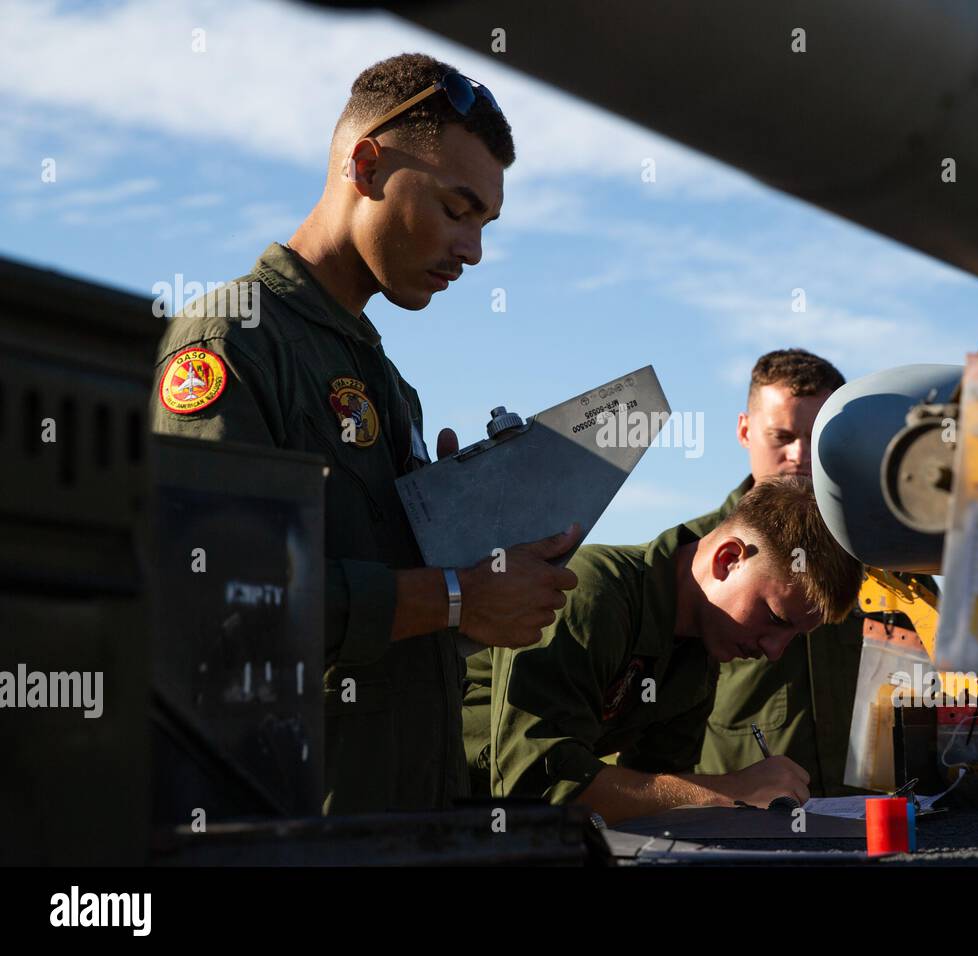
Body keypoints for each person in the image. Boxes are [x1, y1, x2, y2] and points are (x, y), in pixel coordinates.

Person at [151, 53, 579, 814]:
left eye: (484, 223)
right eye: (457, 209)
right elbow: (213, 600)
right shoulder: (232, 341)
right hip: (291, 829)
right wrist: (454, 596)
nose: (474, 251)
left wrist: (469, 558)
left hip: (407, 816)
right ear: (367, 164)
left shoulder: (388, 382)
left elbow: (388, 618)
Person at [462, 476, 863, 825]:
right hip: (435, 823)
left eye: (794, 636)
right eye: (776, 619)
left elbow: (654, 791)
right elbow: (536, 789)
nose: (775, 651)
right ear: (728, 560)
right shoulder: (592, 595)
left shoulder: (699, 653)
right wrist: (729, 789)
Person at [686, 348, 869, 796]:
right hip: (744, 832)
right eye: (782, 436)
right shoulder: (689, 562)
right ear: (746, 431)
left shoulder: (887, 556)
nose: (799, 455)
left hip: (888, 820)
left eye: (817, 437)